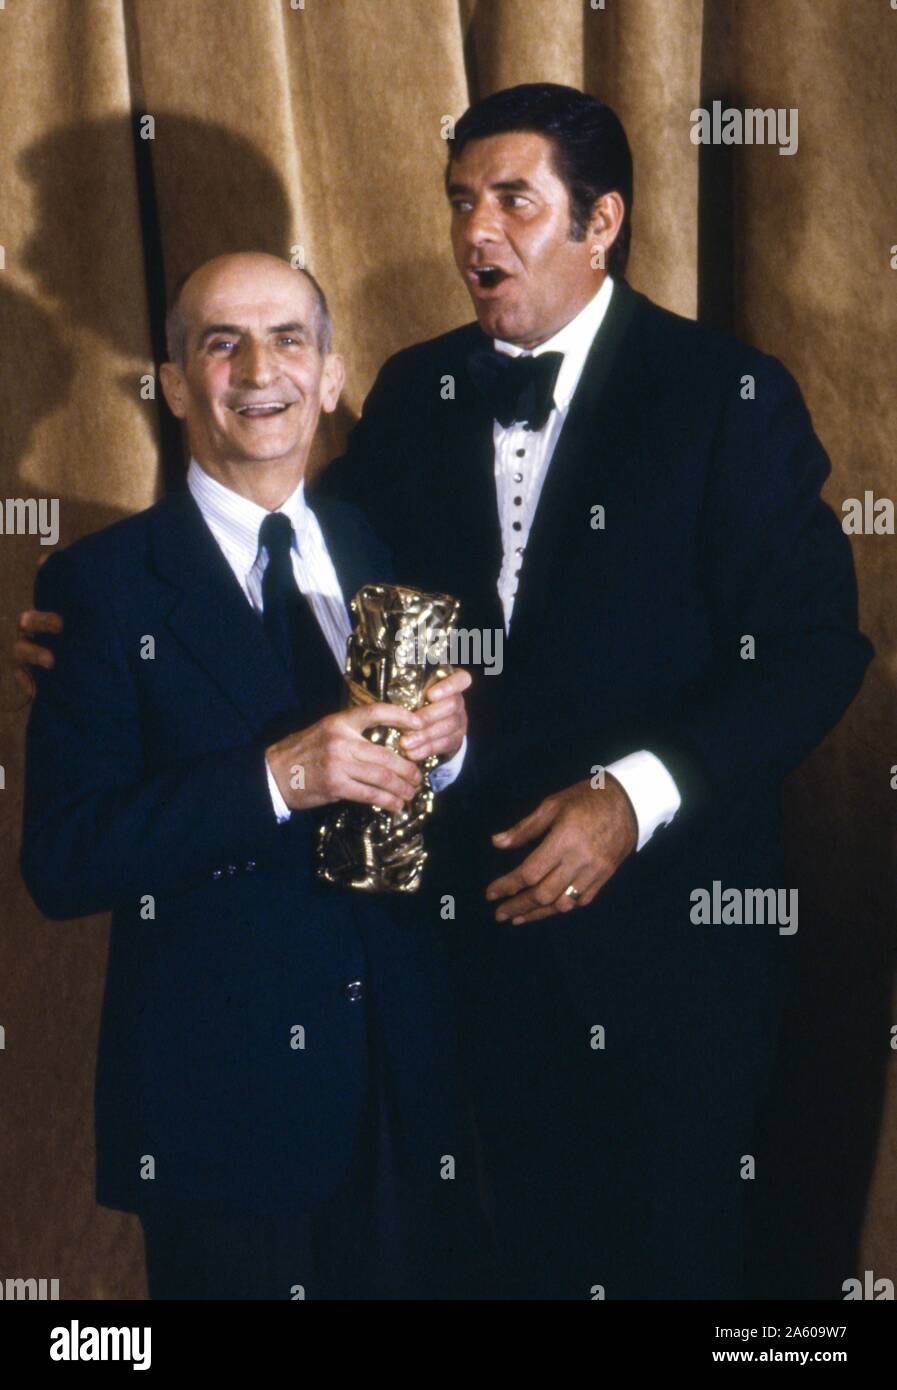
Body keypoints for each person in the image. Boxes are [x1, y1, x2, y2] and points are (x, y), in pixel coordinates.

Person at [18, 84, 874, 1299]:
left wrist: (633, 798)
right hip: (452, 970)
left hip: (662, 968)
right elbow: (277, 574)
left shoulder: (724, 394)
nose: (477, 233)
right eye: (461, 202)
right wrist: (93, 638)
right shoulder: (419, 395)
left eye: (514, 201)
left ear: (603, 221)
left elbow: (816, 649)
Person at [18, 251, 475, 1300]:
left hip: (402, 1096)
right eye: (222, 342)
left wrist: (446, 751)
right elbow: (63, 858)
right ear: (175, 384)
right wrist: (275, 777)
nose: (259, 367)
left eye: (289, 339)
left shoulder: (371, 544)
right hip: (223, 1115)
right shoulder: (98, 587)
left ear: (328, 376)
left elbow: (404, 781)